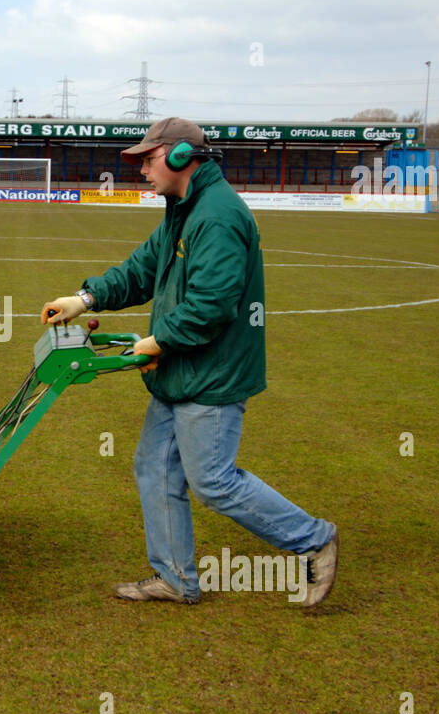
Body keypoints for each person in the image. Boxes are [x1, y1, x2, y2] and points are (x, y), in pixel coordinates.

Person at [40, 117, 338, 607]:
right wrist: (86, 298)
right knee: (155, 469)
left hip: (211, 373)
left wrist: (156, 343)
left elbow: (211, 307)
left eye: (147, 159)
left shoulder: (216, 216)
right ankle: (176, 578)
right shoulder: (183, 210)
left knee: (214, 481)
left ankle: (313, 540)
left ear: (181, 156)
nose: (140, 171)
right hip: (180, 371)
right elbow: (142, 268)